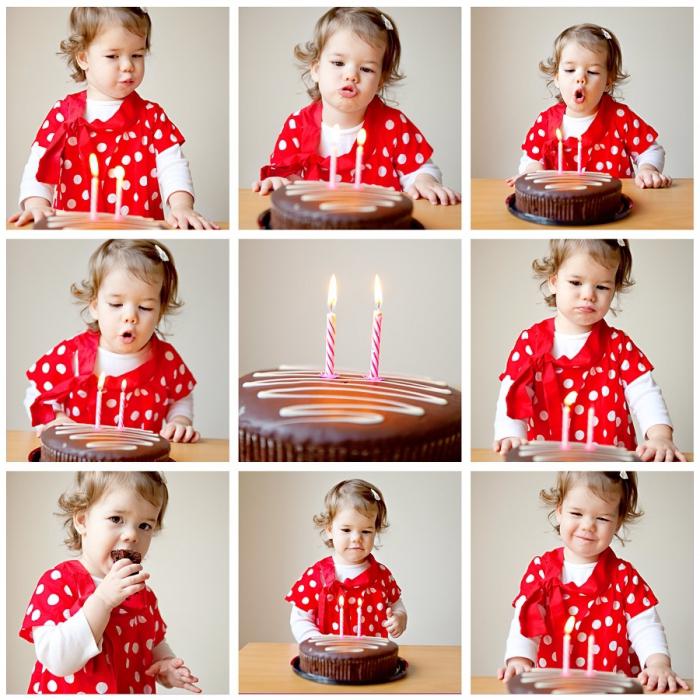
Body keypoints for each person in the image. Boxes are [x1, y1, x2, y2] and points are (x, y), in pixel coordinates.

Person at [10, 7, 218, 229]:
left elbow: (172, 165)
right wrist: (36, 204)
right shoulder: (63, 114)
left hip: (139, 229)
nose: (128, 65)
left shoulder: (152, 116)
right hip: (74, 228)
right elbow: (40, 163)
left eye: (137, 55)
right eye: (113, 56)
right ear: (83, 58)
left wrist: (181, 205)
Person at [493, 239, 684, 461]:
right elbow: (514, 392)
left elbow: (644, 393)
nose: (589, 295)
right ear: (554, 282)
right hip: (546, 457)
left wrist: (660, 436)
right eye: (575, 282)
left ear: (614, 291)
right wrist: (511, 435)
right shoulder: (530, 342)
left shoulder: (618, 345)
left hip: (608, 461)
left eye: (602, 287)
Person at [497, 472, 688, 693]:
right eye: (576, 513)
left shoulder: (623, 575)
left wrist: (658, 664)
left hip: (611, 686)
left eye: (603, 518)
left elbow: (644, 625)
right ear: (559, 512)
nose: (588, 525)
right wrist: (519, 659)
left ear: (618, 523)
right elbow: (527, 618)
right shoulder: (542, 570)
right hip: (555, 686)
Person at [253, 7, 460, 205]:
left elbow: (421, 169)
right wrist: (279, 182)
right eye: (338, 63)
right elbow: (283, 177)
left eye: (366, 69)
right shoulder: (297, 125)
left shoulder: (393, 125)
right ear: (316, 69)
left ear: (380, 80)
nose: (351, 75)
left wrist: (424, 181)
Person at [19, 471, 202, 694]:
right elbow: (59, 662)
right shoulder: (58, 582)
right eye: (116, 519)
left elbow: (152, 643)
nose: (131, 535)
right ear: (82, 520)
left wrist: (165, 663)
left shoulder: (141, 592)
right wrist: (103, 600)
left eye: (144, 525)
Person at [26, 239, 199, 443]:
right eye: (116, 304)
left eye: (145, 307)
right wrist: (57, 419)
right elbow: (37, 395)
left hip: (141, 458)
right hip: (80, 454)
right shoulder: (72, 354)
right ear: (95, 307)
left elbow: (180, 398)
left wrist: (180, 421)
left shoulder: (166, 359)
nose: (130, 316)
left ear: (160, 312)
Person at [507, 24, 670, 189]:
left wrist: (647, 169)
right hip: (560, 209)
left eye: (592, 72)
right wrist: (533, 170)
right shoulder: (547, 121)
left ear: (608, 81)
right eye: (570, 70)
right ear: (556, 77)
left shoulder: (620, 118)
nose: (580, 78)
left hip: (612, 207)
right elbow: (530, 158)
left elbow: (651, 150)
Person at [285, 479, 407, 641]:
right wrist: (315, 641)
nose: (356, 538)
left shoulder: (381, 575)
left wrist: (399, 618)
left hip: (371, 660)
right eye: (346, 530)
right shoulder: (318, 575)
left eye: (366, 531)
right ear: (329, 530)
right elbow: (300, 618)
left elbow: (396, 605)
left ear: (375, 532)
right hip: (328, 661)